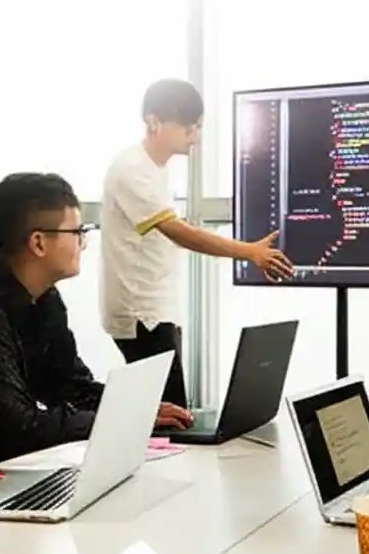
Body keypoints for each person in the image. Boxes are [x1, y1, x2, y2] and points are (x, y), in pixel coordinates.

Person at [0, 173, 194, 464]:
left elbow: (69, 384)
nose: (82, 243)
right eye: (77, 232)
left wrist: (136, 407)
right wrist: (122, 418)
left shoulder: (43, 296)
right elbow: (17, 429)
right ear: (39, 242)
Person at [100, 79, 294, 406]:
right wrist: (248, 251)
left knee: (168, 411)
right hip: (141, 314)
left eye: (199, 127)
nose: (197, 138)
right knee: (169, 414)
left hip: (155, 308)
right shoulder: (132, 169)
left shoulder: (154, 169)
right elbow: (179, 232)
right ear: (153, 122)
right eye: (190, 128)